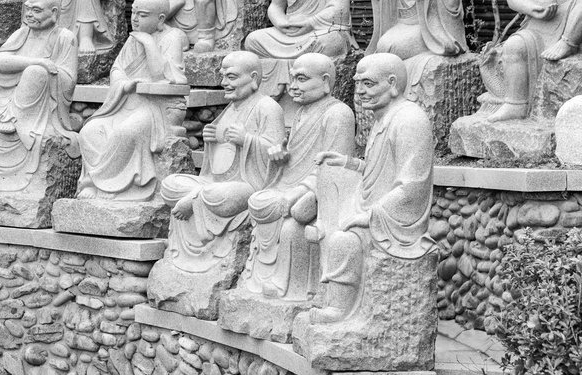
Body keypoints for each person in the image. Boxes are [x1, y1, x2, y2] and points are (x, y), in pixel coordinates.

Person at [309, 53, 435, 323]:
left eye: (368, 84)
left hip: (396, 219)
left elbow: (411, 186)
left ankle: (341, 309)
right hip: (371, 202)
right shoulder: (383, 118)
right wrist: (347, 162)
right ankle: (329, 289)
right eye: (358, 84)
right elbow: (380, 170)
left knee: (344, 239)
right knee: (330, 186)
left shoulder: (409, 120)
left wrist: (369, 216)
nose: (360, 92)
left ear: (392, 83)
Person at [239, 53, 355, 300]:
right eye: (292, 79)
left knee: (292, 226)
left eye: (301, 79)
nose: (294, 86)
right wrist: (280, 157)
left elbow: (333, 169)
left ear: (325, 81)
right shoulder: (301, 113)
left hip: (317, 193)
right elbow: (294, 158)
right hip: (290, 184)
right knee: (258, 200)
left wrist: (302, 191)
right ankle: (264, 278)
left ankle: (291, 287)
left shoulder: (338, 114)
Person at [159, 51, 283, 264]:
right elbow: (219, 156)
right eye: (223, 76)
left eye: (231, 77)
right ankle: (199, 196)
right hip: (216, 182)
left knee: (220, 197)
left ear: (253, 78)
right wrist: (210, 141)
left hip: (247, 184)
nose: (224, 82)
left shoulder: (268, 107)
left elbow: (277, 153)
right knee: (169, 185)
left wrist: (248, 140)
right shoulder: (231, 108)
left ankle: (195, 199)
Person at [0, 0, 78, 192]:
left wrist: (41, 72)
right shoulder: (22, 33)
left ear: (54, 12)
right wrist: (36, 61)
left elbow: (69, 80)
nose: (29, 14)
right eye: (27, 9)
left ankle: (14, 120)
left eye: (36, 10)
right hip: (10, 98)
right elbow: (0, 62)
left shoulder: (65, 37)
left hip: (41, 104)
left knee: (36, 73)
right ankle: (8, 121)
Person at [76, 0, 187, 201]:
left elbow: (163, 77)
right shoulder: (132, 39)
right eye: (133, 13)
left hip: (153, 109)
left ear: (161, 19)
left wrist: (149, 44)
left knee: (124, 133)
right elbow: (117, 69)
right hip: (125, 103)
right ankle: (92, 183)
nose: (135, 19)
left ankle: (111, 187)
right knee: (89, 132)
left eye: (142, 15)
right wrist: (125, 85)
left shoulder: (171, 38)